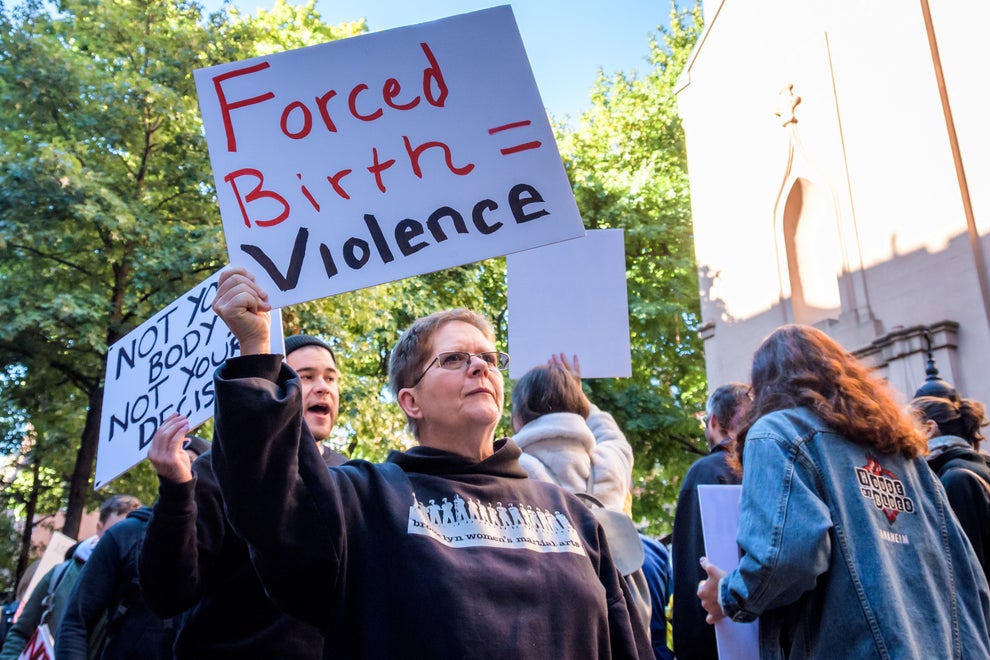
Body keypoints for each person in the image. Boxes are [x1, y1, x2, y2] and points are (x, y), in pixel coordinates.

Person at [208, 266, 651, 658]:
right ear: (411, 401)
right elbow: (266, 496)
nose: (480, 367)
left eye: (489, 358)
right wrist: (256, 351)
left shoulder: (574, 514)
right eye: (454, 359)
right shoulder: (363, 500)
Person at [697, 325, 990, 658]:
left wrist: (727, 595)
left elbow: (787, 557)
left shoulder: (776, 433)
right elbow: (968, 576)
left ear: (765, 384)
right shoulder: (907, 453)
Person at [139, 334, 346, 658]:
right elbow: (167, 595)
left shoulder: (352, 477)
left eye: (330, 378)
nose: (323, 388)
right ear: (274, 387)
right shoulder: (216, 469)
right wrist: (176, 491)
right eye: (306, 376)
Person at [510, 354, 652, 635]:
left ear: (518, 416)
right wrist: (577, 392)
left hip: (555, 627)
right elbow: (611, 435)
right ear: (580, 408)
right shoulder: (610, 463)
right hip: (615, 624)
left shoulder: (514, 470)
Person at [0, 495, 140, 660]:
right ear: (99, 528)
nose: (121, 544)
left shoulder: (139, 588)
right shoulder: (60, 575)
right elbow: (20, 633)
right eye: (116, 533)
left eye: (129, 538)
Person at [671, 382, 748, 660]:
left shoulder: (706, 471)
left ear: (713, 421)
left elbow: (692, 568)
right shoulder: (772, 466)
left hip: (715, 636)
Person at [911, 394, 990, 579]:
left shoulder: (955, 479)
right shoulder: (976, 467)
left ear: (929, 429)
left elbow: (965, 572)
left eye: (905, 426)